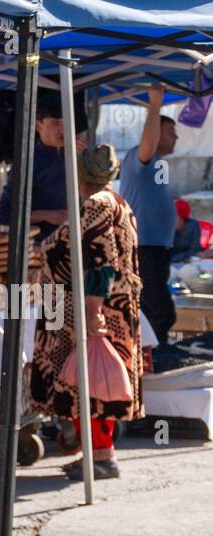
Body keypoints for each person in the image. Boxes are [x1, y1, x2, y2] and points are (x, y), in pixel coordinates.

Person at [31, 145, 144, 480]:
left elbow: (101, 262)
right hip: (108, 306)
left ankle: (100, 457)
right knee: (96, 381)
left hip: (89, 308)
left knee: (86, 382)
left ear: (80, 174)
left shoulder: (95, 205)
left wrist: (93, 311)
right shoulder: (119, 203)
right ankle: (99, 453)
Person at [120, 84, 179, 345]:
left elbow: (160, 195)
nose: (175, 137)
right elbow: (147, 145)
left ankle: (153, 354)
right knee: (160, 313)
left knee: (155, 310)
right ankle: (155, 356)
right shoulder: (141, 155)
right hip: (143, 247)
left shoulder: (161, 164)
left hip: (158, 247)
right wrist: (155, 105)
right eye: (170, 132)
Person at [0, 93, 86, 242]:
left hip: (75, 246)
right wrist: (47, 215)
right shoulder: (27, 162)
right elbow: (2, 215)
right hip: (39, 251)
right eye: (55, 123)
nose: (63, 130)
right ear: (38, 126)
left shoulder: (78, 154)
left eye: (66, 123)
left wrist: (87, 161)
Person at [172, 198, 203, 263]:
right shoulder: (167, 228)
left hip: (190, 261)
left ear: (182, 218)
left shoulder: (194, 226)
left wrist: (174, 258)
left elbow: (195, 249)